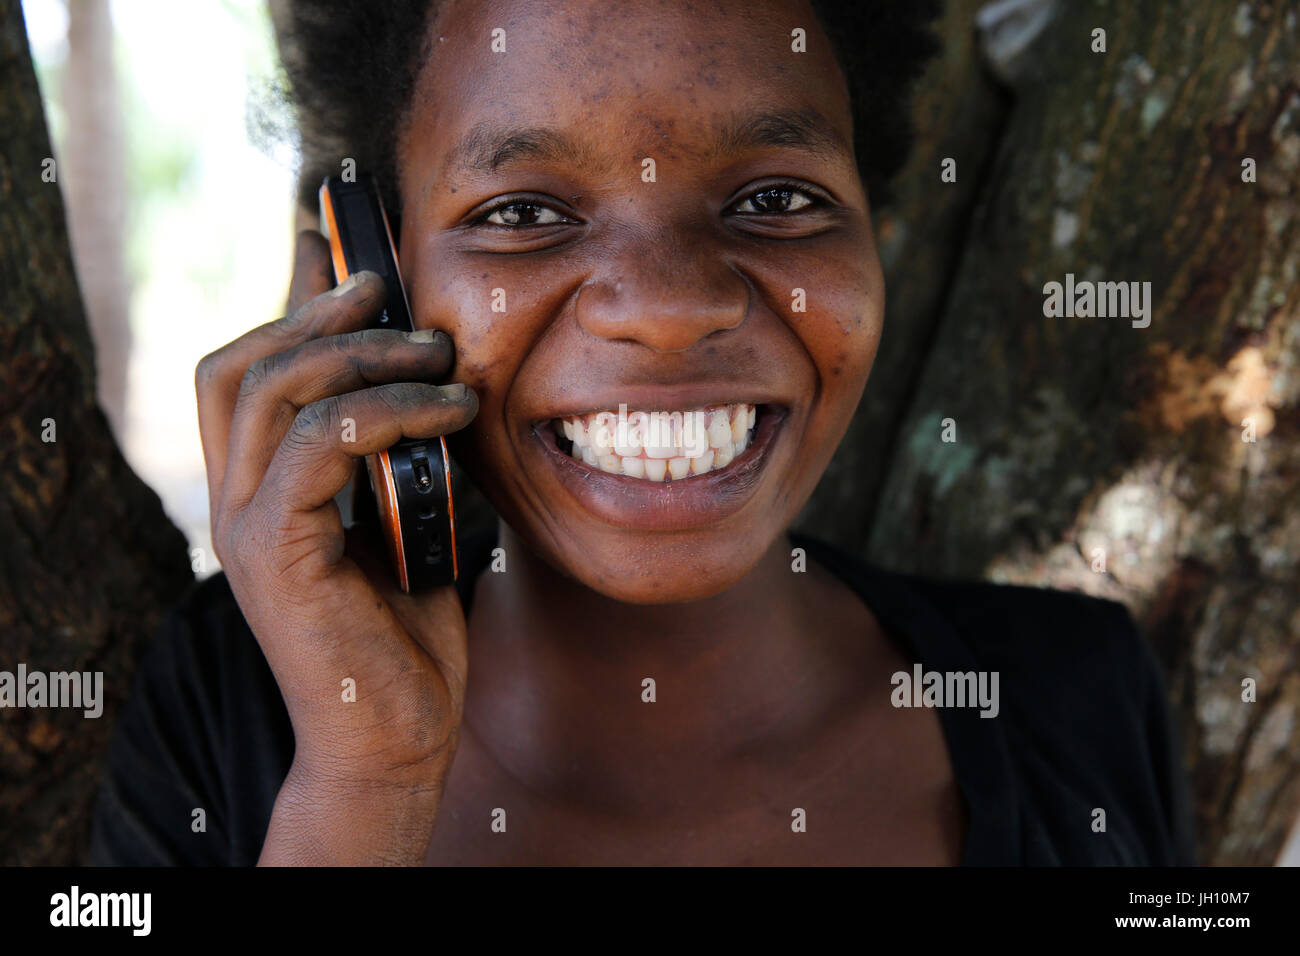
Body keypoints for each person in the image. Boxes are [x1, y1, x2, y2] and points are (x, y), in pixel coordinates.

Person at [89, 0, 1196, 865]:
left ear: (872, 235)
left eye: (773, 198)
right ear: (373, 283)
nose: (668, 306)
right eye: (522, 213)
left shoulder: (1072, 696)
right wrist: (366, 784)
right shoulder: (233, 707)